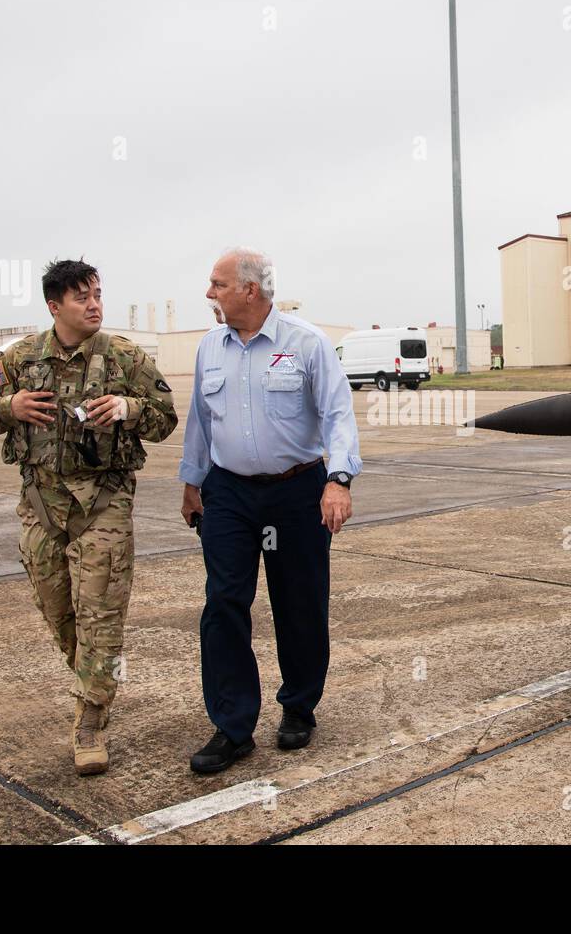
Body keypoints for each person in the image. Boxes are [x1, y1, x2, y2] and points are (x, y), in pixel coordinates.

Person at [0, 259, 178, 776]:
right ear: (54, 305)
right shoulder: (17, 358)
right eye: (82, 297)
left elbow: (165, 419)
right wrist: (9, 407)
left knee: (100, 617)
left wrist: (128, 410)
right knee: (60, 612)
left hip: (103, 503)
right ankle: (91, 679)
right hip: (41, 506)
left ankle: (90, 722)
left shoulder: (126, 358)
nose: (94, 305)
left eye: (98, 294)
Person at [180, 246, 360, 774]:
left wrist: (339, 479)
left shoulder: (307, 343)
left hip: (297, 490)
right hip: (229, 493)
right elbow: (200, 420)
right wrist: (192, 483)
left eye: (217, 284)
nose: (209, 293)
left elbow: (337, 414)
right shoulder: (210, 348)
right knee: (223, 603)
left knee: (299, 602)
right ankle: (233, 727)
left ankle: (299, 707)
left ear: (250, 291)